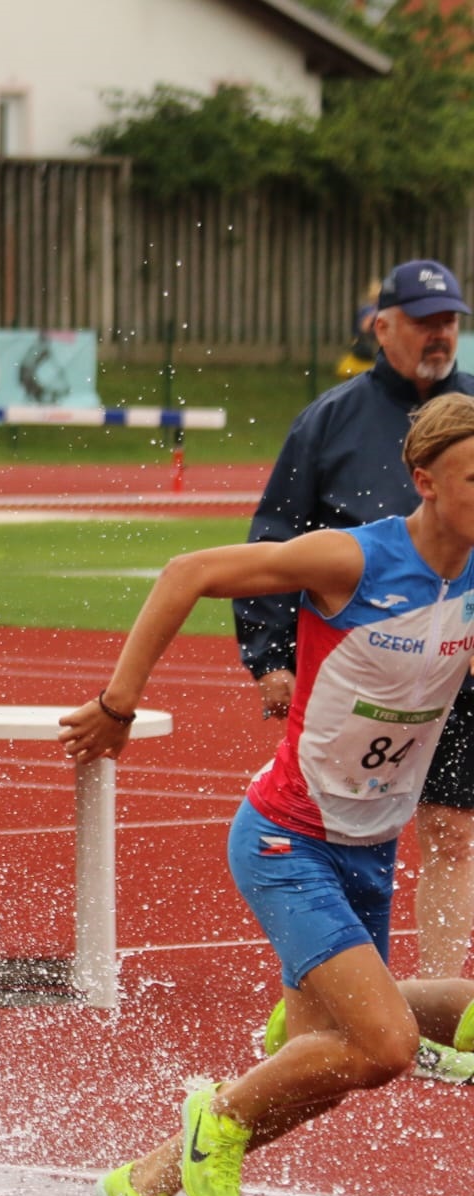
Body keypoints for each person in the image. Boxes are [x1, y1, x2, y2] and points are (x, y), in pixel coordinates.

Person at [64, 392, 474, 1196]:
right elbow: (186, 572)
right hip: (288, 838)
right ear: (426, 480)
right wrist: (115, 706)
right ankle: (216, 1118)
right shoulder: (352, 558)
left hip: (370, 846)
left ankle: (142, 1184)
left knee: (334, 1068)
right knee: (389, 1046)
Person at [236, 258, 474, 984]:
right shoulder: (331, 419)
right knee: (330, 824)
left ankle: (441, 1000)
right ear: (382, 326)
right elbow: (276, 536)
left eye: (450, 321)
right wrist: (269, 653)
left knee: (454, 829)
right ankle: (320, 982)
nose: (439, 335)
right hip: (356, 658)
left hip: (453, 649)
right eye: (424, 321)